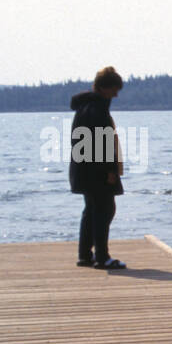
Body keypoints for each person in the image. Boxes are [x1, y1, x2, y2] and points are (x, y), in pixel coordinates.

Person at [69, 66, 126, 269]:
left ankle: (85, 255)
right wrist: (110, 171)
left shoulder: (85, 106)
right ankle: (102, 258)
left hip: (82, 169)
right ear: (104, 88)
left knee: (91, 210)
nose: (116, 94)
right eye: (114, 89)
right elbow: (101, 143)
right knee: (105, 210)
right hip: (96, 171)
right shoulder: (98, 109)